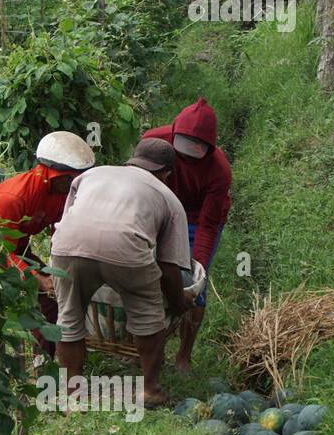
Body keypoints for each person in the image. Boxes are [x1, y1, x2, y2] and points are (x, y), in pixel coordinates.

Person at [50, 138, 194, 407]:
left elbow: (70, 218)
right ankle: (150, 389)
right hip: (125, 250)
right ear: (166, 173)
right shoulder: (169, 198)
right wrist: (178, 303)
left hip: (67, 246)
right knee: (149, 315)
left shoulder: (90, 175)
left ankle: (72, 393)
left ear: (133, 159)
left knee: (68, 318)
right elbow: (169, 268)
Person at [142, 97, 232, 372]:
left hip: (195, 219)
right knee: (143, 275)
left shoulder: (219, 170)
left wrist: (198, 268)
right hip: (158, 210)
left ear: (209, 148)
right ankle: (141, 346)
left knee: (195, 286)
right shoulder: (153, 142)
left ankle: (184, 354)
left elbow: (207, 225)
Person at [0, 131, 96, 357]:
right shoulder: (13, 198)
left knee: (51, 301)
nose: (75, 185)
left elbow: (60, 236)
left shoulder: (64, 193)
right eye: (71, 179)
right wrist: (38, 278)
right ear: (53, 175)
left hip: (18, 248)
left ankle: (45, 360)